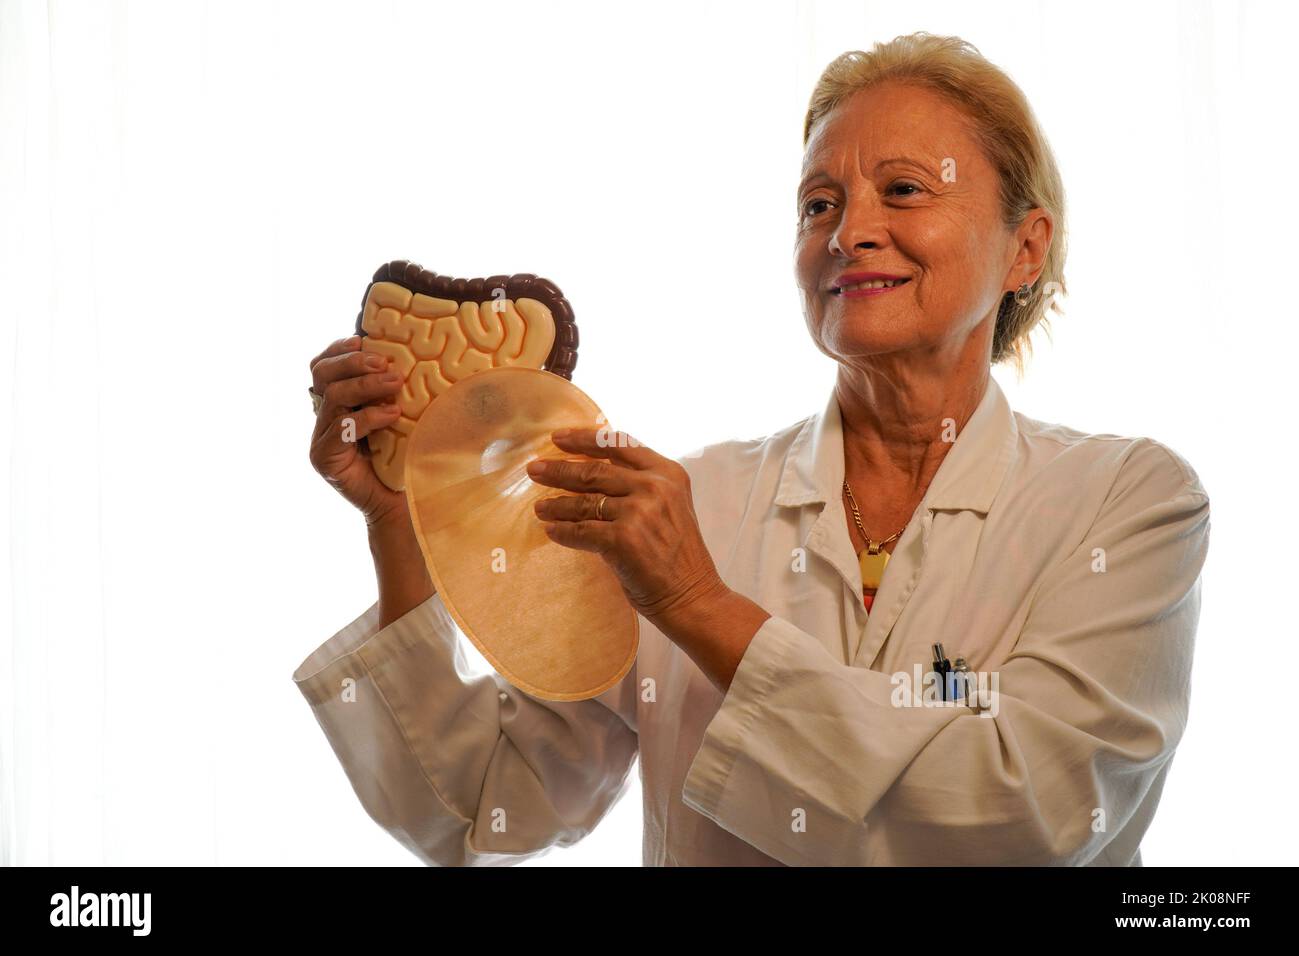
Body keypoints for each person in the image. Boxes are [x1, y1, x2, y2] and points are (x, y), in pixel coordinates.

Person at [296, 32, 1210, 866]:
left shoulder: (1126, 500)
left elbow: (1034, 818)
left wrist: (695, 601)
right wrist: (397, 523)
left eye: (903, 189)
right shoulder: (690, 502)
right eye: (819, 204)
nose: (847, 232)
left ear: (1026, 247)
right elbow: (489, 809)